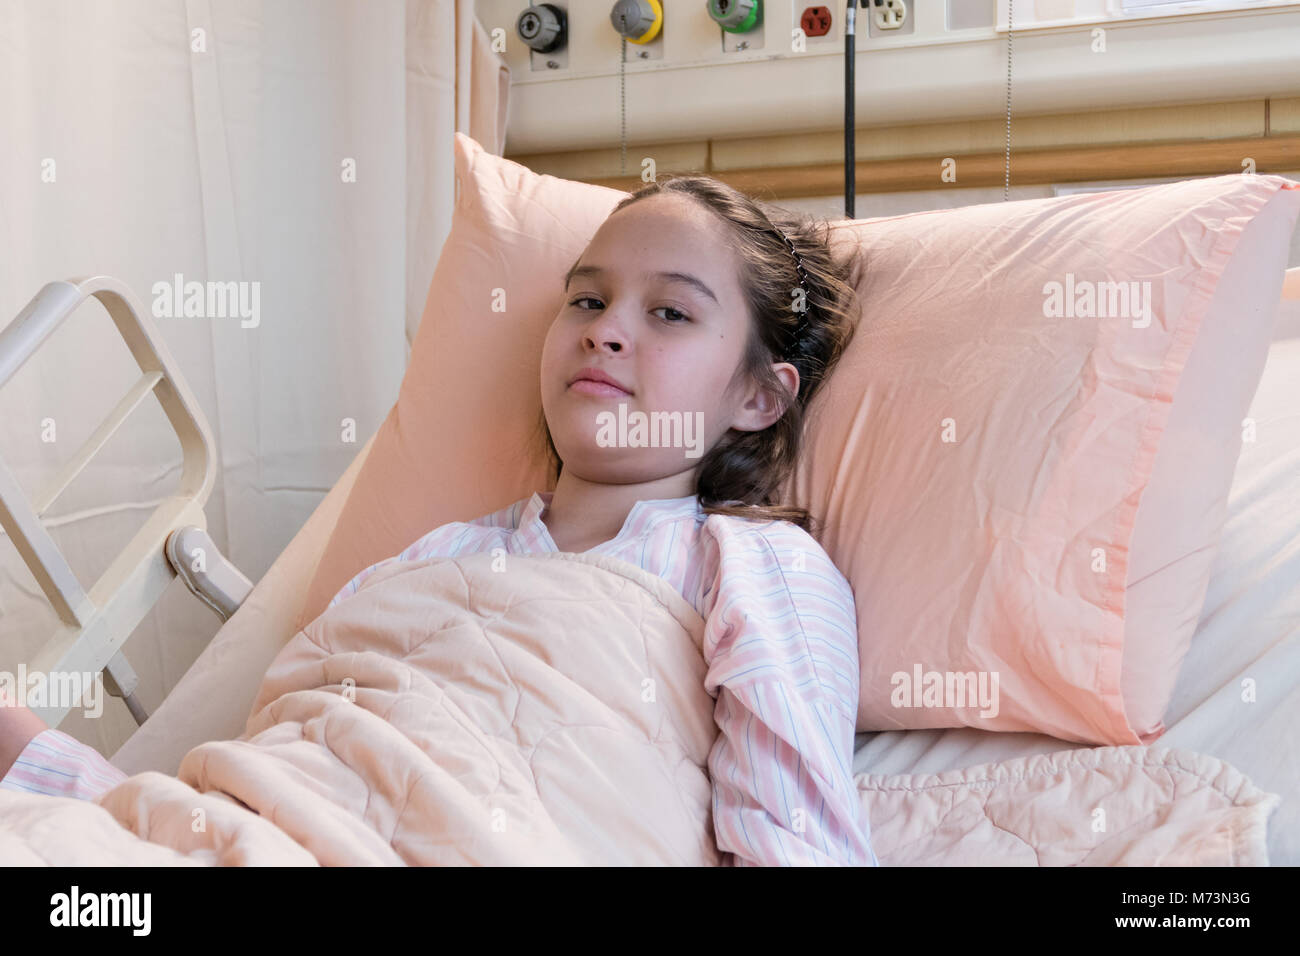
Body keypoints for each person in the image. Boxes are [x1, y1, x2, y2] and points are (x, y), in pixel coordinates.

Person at [1, 174, 877, 866]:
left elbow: (799, 840)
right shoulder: (430, 559)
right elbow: (250, 798)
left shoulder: (751, 566)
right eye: (586, 300)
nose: (606, 329)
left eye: (670, 312)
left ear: (759, 396)